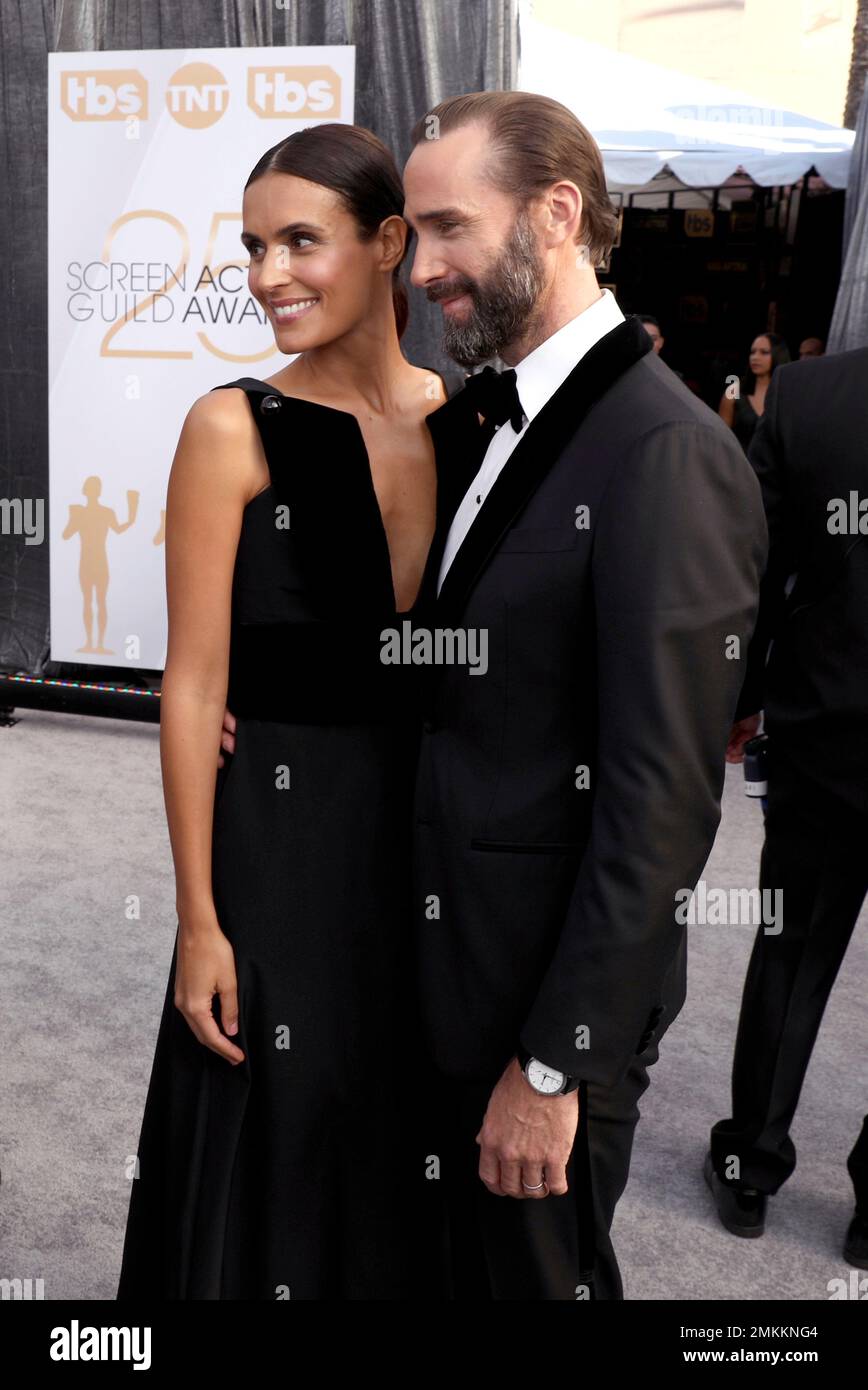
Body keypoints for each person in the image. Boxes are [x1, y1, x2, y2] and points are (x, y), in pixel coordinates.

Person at [398, 90, 767, 1299]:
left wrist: (553, 1068)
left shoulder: (661, 449)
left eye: (450, 228)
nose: (425, 269)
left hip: (540, 1014)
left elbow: (662, 799)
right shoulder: (478, 421)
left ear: (556, 212)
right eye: (413, 234)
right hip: (444, 977)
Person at [116, 122, 448, 1300]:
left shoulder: (473, 424)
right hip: (277, 848)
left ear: (389, 244)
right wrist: (199, 922)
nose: (267, 275)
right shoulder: (230, 425)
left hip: (427, 846)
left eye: (300, 241)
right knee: (262, 1116)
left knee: (394, 1135)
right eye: (254, 246)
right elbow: (193, 684)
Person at [707, 347, 868, 1271]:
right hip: (826, 732)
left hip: (828, 733)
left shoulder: (813, 395)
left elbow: (753, 566)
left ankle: (753, 1167)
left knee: (792, 949)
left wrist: (738, 696)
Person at [718, 331, 790, 454]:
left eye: (764, 352)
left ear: (778, 355)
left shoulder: (789, 393)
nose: (755, 357)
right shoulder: (733, 391)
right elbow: (721, 440)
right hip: (740, 467)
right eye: (752, 352)